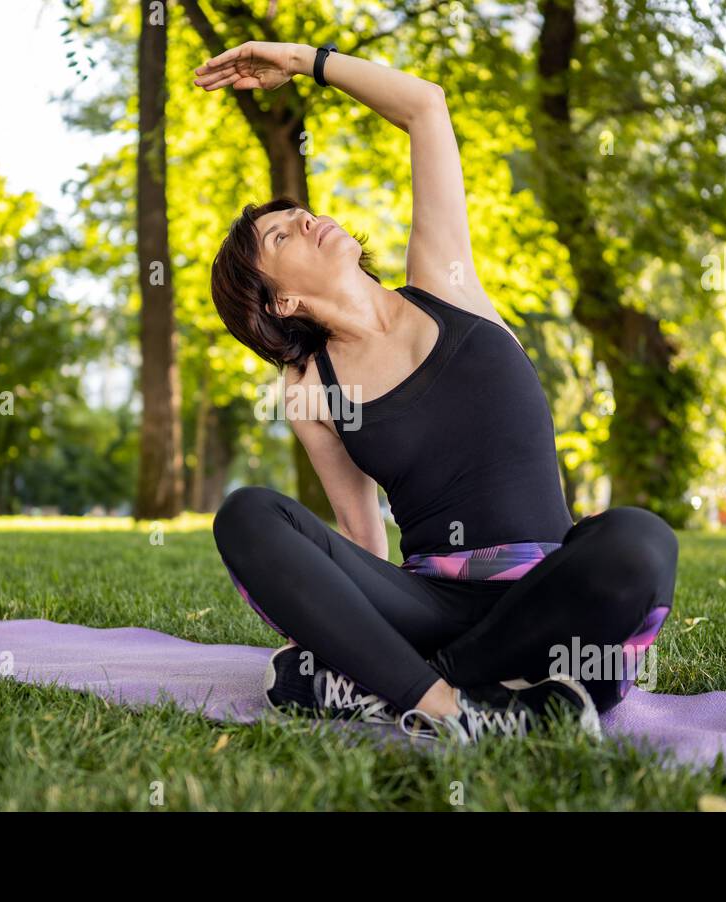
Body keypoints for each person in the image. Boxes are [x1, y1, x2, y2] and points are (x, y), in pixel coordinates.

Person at [195, 41, 678, 745]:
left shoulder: (444, 282)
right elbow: (360, 550)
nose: (304, 218)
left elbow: (426, 107)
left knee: (637, 539)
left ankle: (399, 685)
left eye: (297, 211)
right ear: (281, 304)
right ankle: (462, 706)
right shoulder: (311, 390)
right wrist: (361, 621)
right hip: (430, 601)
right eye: (279, 236)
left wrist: (303, 61)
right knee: (246, 515)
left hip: (549, 598)